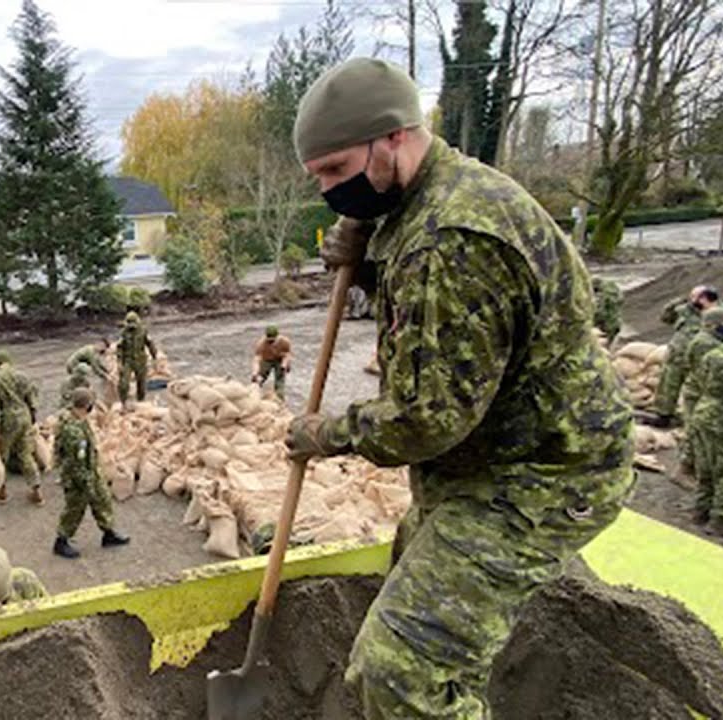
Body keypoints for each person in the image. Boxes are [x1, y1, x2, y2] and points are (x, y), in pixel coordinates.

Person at [285, 57, 634, 719]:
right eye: (319, 177)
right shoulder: (417, 201)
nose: (329, 192)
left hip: (542, 473)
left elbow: (426, 421)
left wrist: (325, 433)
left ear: (391, 136)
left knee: (398, 669)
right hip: (482, 457)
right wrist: (363, 269)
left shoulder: (455, 235)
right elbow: (440, 324)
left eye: (335, 171)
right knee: (411, 598)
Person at [52, 388, 131, 559]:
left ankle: (108, 533)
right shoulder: (74, 431)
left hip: (90, 471)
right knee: (74, 509)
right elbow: (77, 463)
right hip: (78, 477)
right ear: (86, 406)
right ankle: (61, 541)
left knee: (102, 501)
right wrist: (87, 484)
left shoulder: (77, 418)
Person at [652, 285, 720, 427]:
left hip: (701, 361)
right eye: (692, 296)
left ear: (705, 298)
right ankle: (664, 415)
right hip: (677, 356)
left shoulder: (720, 313)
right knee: (668, 385)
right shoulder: (684, 311)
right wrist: (677, 302)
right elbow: (665, 318)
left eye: (697, 296)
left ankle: (697, 420)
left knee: (698, 391)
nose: (693, 299)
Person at [0, 349, 44, 505]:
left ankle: (2, 492)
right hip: (24, 417)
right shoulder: (22, 376)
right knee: (26, 454)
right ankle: (36, 490)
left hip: (8, 419)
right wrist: (33, 420)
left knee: (2, 455)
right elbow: (32, 400)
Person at [686, 307, 723, 527]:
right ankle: (720, 521)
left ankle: (699, 513)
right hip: (721, 420)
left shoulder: (714, 355)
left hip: (704, 412)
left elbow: (699, 379)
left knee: (706, 469)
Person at [678, 307, 723, 480]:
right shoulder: (705, 344)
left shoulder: (712, 340)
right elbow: (705, 373)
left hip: (704, 392)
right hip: (700, 393)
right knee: (696, 435)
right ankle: (687, 469)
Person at [116, 311, 157, 404]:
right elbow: (119, 348)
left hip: (141, 360)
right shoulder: (124, 332)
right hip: (128, 360)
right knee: (124, 383)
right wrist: (119, 362)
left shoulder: (143, 330)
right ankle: (123, 402)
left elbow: (150, 344)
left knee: (141, 384)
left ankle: (141, 402)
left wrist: (154, 357)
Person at [251, 325, 292, 396]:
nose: (271, 342)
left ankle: (279, 399)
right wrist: (255, 373)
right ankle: (254, 394)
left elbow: (287, 354)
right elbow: (256, 359)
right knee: (259, 379)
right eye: (269, 340)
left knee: (280, 382)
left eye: (273, 340)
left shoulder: (285, 342)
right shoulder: (261, 344)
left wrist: (286, 365)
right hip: (266, 360)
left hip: (279, 360)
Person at [591, 276, 623, 345]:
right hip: (615, 323)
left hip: (606, 326)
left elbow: (600, 312)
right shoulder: (614, 291)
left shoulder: (603, 297)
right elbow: (621, 301)